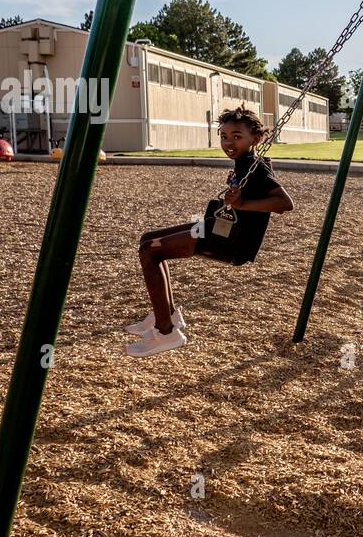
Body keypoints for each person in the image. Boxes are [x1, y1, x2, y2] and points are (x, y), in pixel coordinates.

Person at [125, 106, 293, 357]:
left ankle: (166, 332)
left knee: (151, 252)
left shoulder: (255, 168)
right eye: (224, 136)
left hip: (229, 240)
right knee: (147, 239)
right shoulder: (246, 164)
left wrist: (242, 204)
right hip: (218, 228)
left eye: (237, 136)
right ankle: (167, 315)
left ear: (255, 139)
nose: (228, 142)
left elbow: (284, 203)